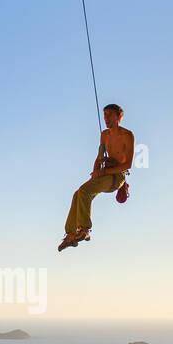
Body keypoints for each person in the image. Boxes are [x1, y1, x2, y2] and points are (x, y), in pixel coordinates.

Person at [59, 103, 134, 251]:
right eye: (104, 115)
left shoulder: (127, 135)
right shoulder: (104, 135)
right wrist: (95, 172)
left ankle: (84, 230)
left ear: (119, 117)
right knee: (78, 193)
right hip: (105, 173)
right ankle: (71, 235)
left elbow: (128, 165)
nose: (106, 118)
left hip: (117, 177)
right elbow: (100, 157)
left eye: (109, 115)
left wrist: (104, 173)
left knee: (85, 191)